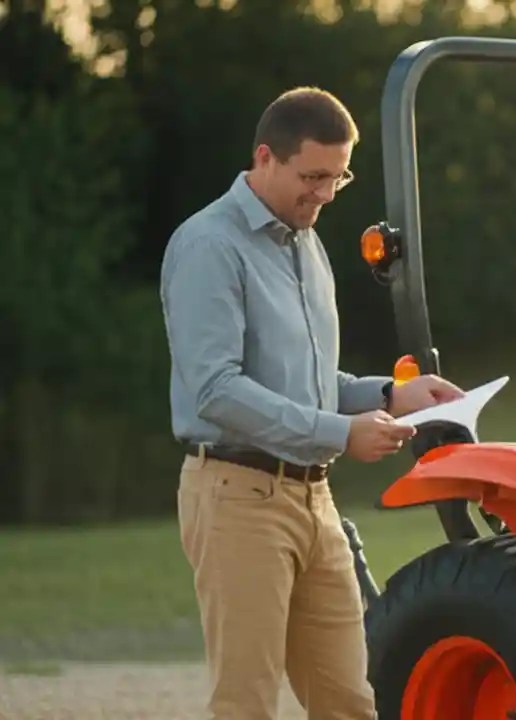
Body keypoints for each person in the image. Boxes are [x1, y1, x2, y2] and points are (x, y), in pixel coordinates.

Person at [160, 86, 463, 719]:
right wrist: (340, 432)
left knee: (348, 700)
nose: (325, 194)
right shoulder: (208, 247)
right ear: (265, 157)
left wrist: (391, 394)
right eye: (312, 176)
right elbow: (217, 390)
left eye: (337, 177)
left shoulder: (307, 244)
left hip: (314, 500)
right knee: (247, 701)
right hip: (238, 497)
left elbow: (311, 380)